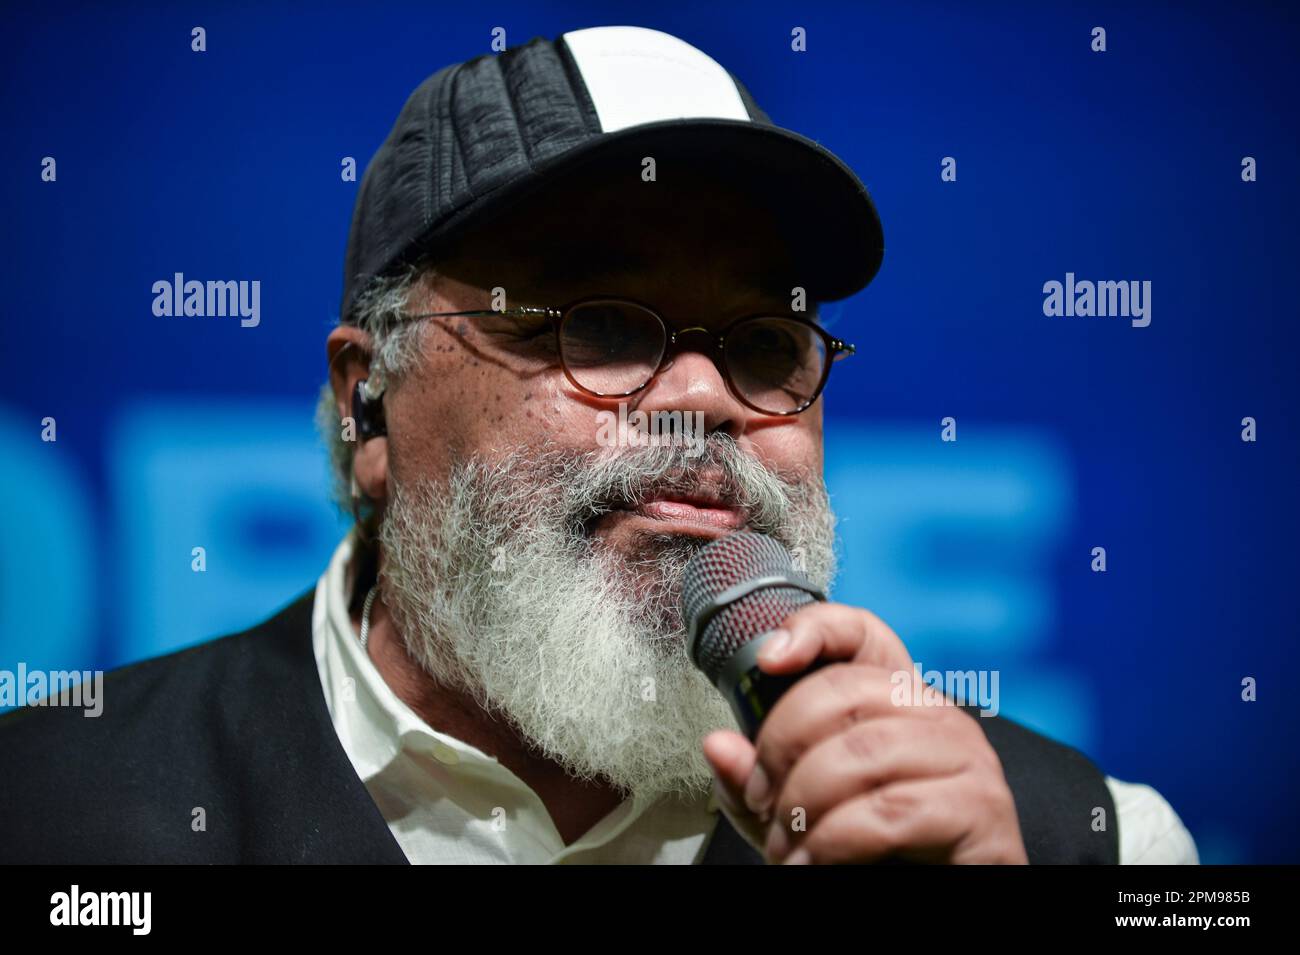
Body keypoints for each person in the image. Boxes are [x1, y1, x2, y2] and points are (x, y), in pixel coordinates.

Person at [0, 25, 1195, 864]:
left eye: (766, 342)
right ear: (369, 403)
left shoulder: (1088, 840)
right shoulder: (47, 808)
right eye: (599, 325)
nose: (702, 401)